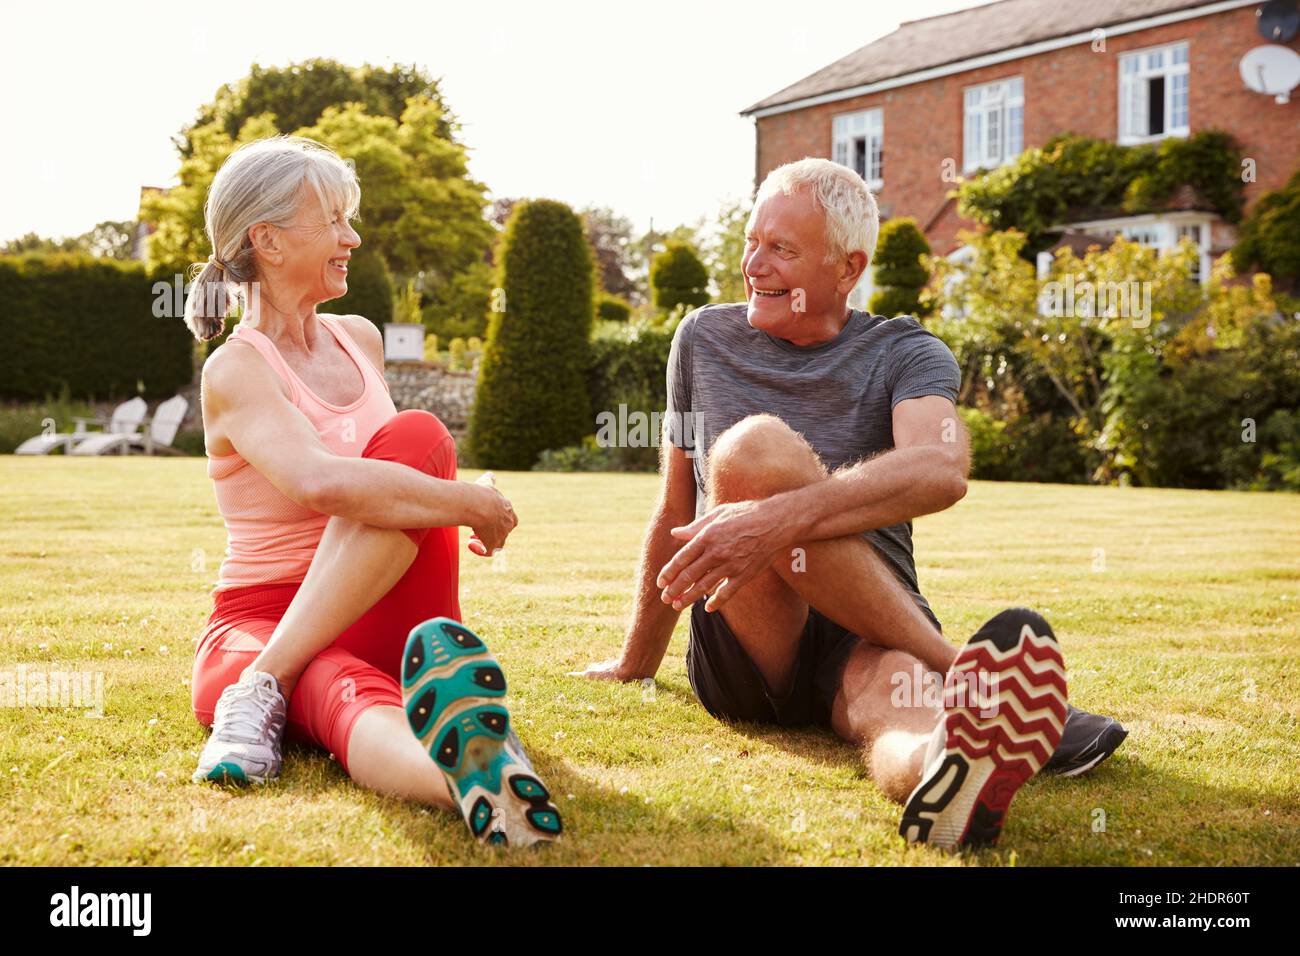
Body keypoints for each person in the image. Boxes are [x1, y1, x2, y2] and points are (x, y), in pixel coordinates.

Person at [578, 157, 1126, 849]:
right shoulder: (703, 340)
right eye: (753, 242)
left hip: (870, 629)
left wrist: (775, 521)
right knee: (754, 452)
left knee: (903, 707)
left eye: (782, 249)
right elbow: (674, 509)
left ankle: (946, 770)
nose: (755, 264)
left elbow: (942, 467)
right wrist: (635, 662)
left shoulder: (904, 350)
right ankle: (959, 666)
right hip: (747, 634)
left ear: (847, 266)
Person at [184, 135, 560, 847]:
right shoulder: (236, 371)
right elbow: (321, 481)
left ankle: (264, 690)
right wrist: (469, 503)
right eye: (332, 220)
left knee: (418, 436)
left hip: (385, 605)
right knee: (334, 685)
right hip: (262, 621)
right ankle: (475, 784)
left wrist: (445, 493)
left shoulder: (360, 338)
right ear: (266, 238)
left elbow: (390, 478)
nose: (351, 238)